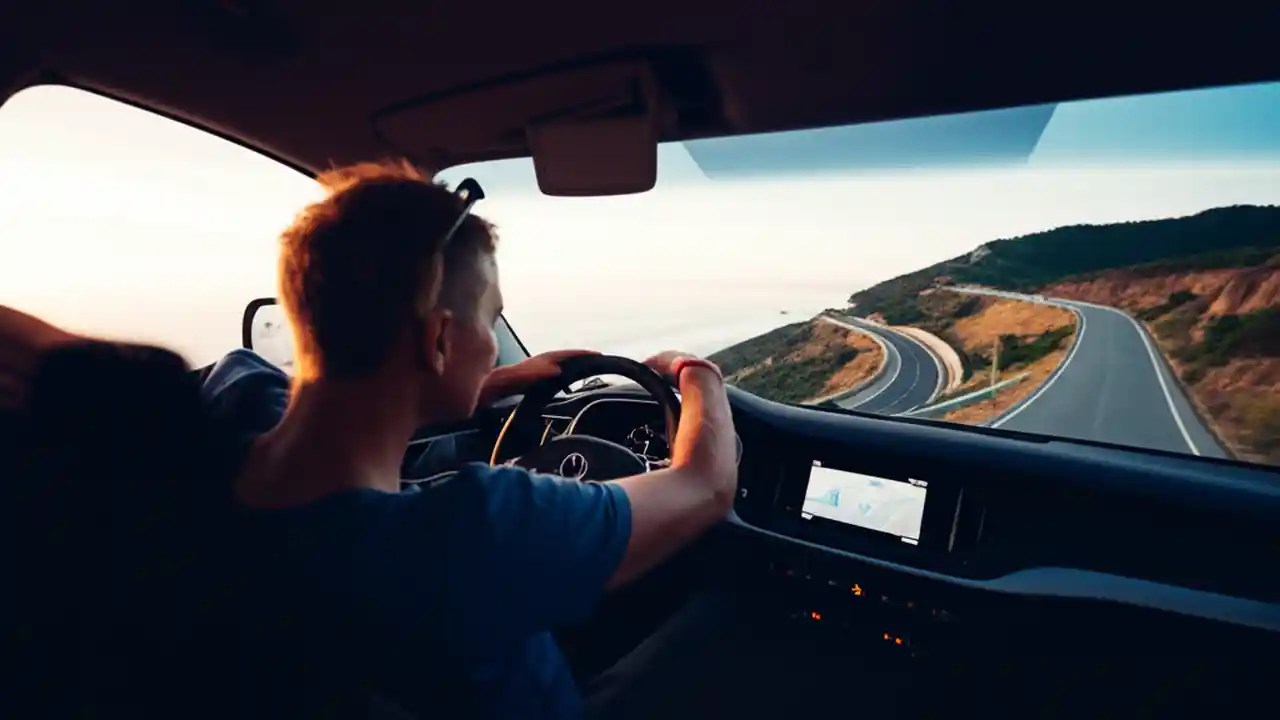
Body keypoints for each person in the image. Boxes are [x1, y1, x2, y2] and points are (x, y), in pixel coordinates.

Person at [223, 160, 739, 718]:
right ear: (439, 339)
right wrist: (696, 373)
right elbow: (705, 486)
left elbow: (344, 404)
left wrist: (485, 385)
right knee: (724, 615)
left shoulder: (228, 409)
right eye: (491, 322)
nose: (494, 345)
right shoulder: (474, 529)